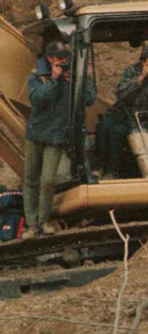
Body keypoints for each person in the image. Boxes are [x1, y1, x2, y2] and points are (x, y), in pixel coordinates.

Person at [23, 41, 95, 237]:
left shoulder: (74, 73)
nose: (63, 63)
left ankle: (44, 220)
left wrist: (76, 82)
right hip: (36, 134)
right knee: (30, 179)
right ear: (50, 58)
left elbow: (89, 99)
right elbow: (37, 100)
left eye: (66, 59)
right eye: (59, 60)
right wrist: (54, 80)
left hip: (55, 136)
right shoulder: (38, 75)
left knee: (48, 180)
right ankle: (31, 224)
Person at [98, 45, 148, 178]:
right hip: (124, 111)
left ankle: (112, 172)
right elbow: (121, 93)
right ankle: (100, 167)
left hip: (144, 118)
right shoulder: (133, 71)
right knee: (103, 126)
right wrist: (141, 78)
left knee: (116, 132)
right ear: (143, 63)